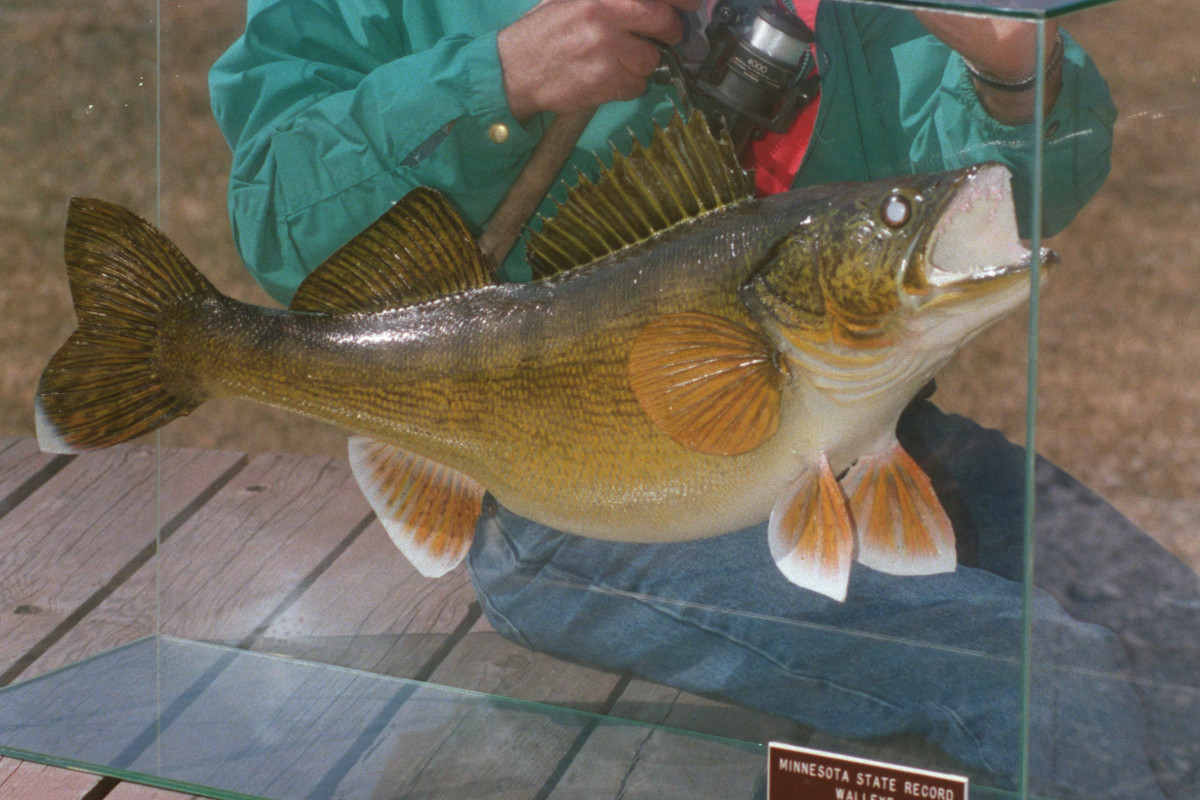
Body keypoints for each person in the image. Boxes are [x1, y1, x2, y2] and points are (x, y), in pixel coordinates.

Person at [208, 2, 1198, 798]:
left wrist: (1016, 71)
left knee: (1174, 629)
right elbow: (276, 217)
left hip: (848, 431)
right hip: (572, 501)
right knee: (1052, 682)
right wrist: (491, 81)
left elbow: (1009, 213)